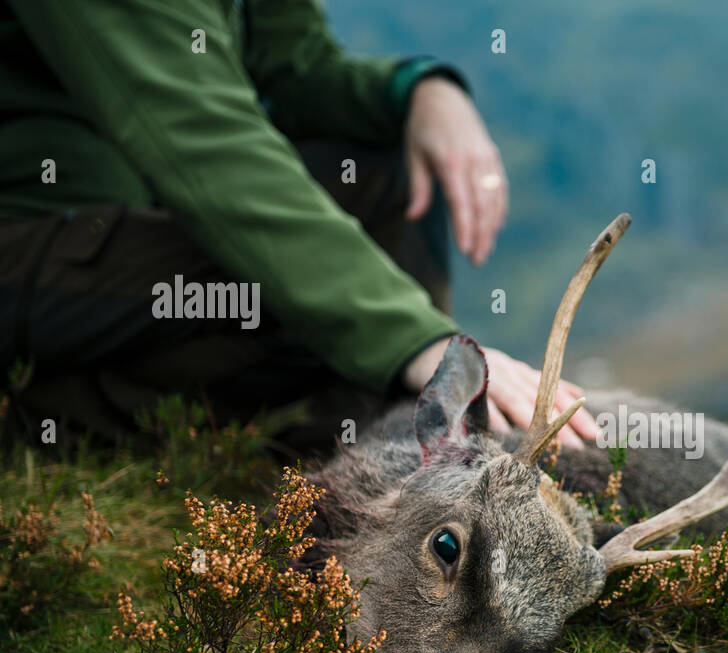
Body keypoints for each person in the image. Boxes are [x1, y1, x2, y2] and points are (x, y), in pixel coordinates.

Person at [0, 0, 598, 450]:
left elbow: (297, 70)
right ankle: (50, 409)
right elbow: (206, 140)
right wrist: (417, 341)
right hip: (32, 243)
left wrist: (419, 93)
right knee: (298, 300)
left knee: (384, 169)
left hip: (139, 238)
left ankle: (394, 452)